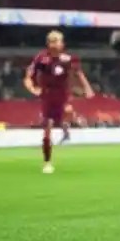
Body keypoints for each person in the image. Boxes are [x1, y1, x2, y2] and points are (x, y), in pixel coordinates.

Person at [24, 30, 94, 174]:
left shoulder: (68, 59)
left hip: (63, 95)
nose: (57, 44)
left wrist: (87, 88)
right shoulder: (41, 58)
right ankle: (47, 162)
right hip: (48, 96)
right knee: (47, 129)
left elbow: (79, 74)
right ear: (48, 44)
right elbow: (29, 75)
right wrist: (32, 88)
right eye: (53, 41)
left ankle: (65, 129)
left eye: (59, 41)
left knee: (68, 111)